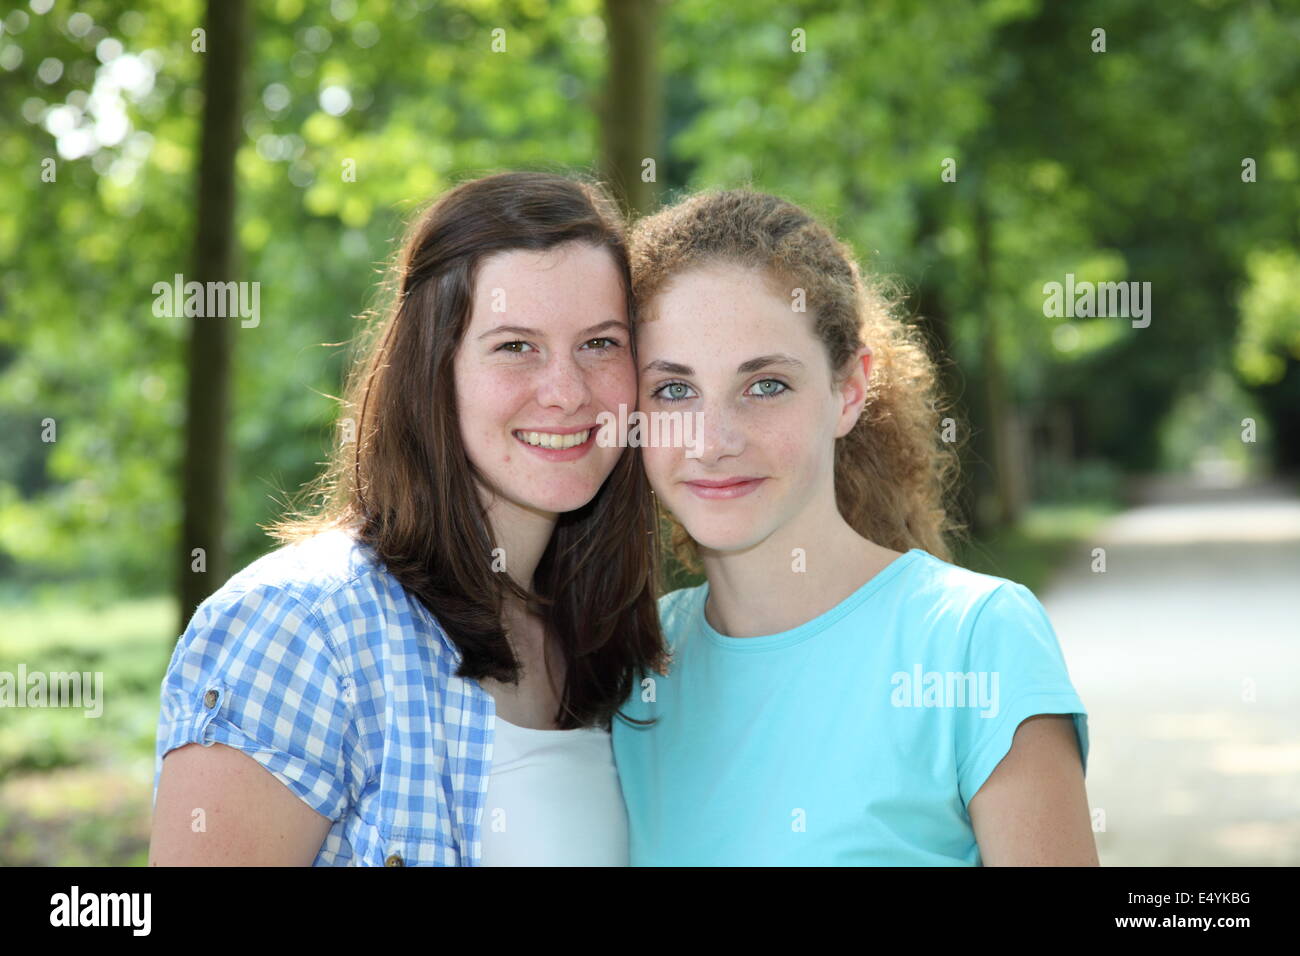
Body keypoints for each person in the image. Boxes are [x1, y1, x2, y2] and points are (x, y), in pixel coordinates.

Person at [149, 171, 666, 866]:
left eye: (600, 343)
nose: (567, 392)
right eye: (516, 346)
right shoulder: (302, 628)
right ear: (433, 369)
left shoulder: (608, 639)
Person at [612, 188, 1097, 865]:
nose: (713, 441)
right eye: (674, 390)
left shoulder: (975, 640)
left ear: (849, 390)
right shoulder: (627, 666)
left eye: (765, 385)